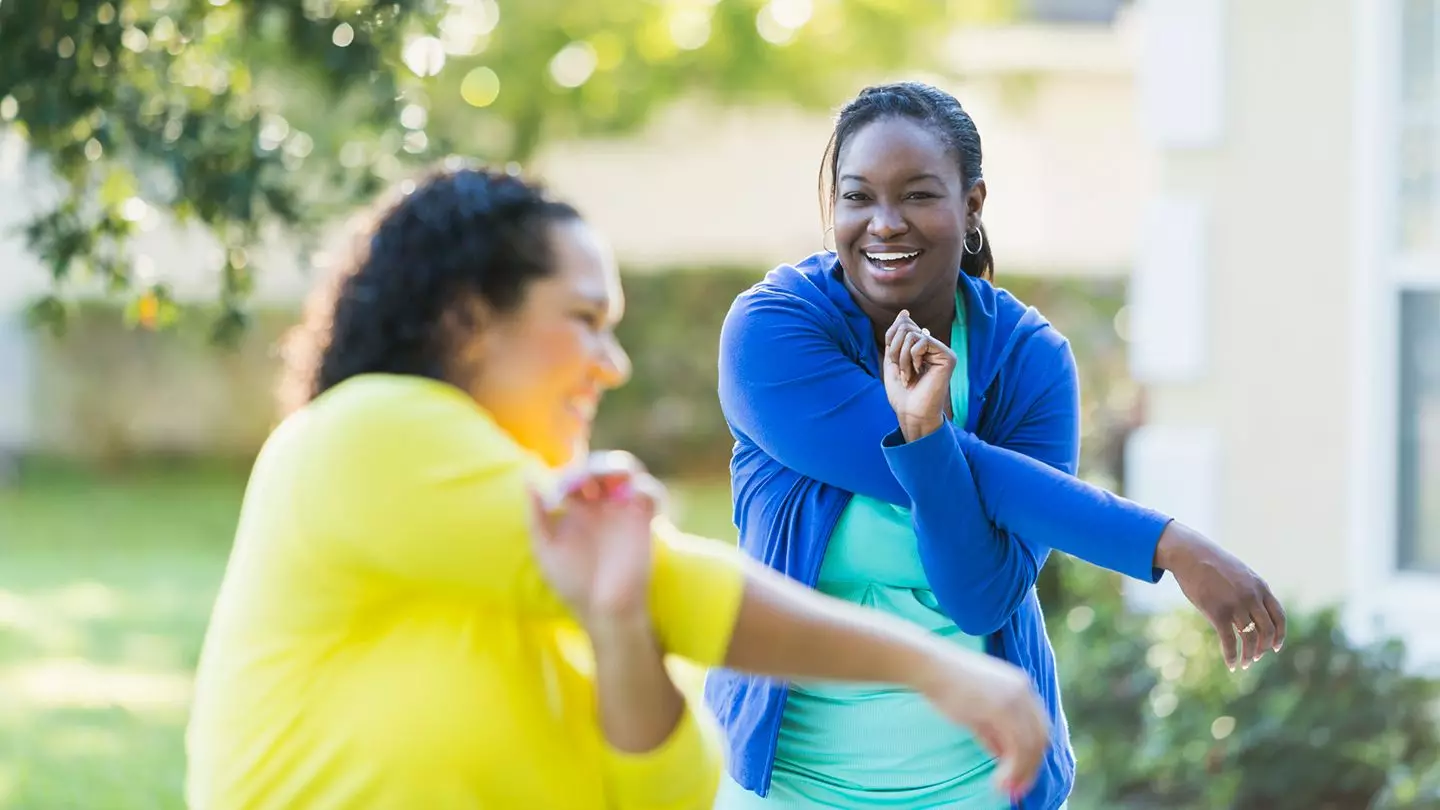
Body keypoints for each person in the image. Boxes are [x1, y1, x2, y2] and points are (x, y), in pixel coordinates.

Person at [183, 165, 1054, 810]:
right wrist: (937, 668)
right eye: (585, 322)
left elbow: (665, 791)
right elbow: (693, 593)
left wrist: (619, 624)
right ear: (467, 319)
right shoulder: (367, 431)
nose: (614, 364)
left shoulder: (556, 554)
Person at [705, 82, 1288, 810]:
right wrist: (1167, 544)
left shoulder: (1027, 360)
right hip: (786, 788)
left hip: (982, 787)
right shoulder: (775, 334)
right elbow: (985, 477)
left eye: (917, 195)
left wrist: (925, 439)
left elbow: (980, 599)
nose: (883, 224)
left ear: (972, 205)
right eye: (858, 198)